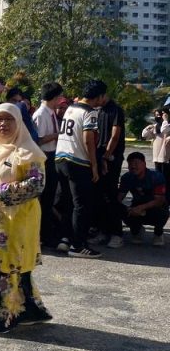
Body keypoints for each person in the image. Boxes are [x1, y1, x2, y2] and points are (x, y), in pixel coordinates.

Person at [0, 103, 52, 335]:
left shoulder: (29, 151)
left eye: (8, 120)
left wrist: (0, 191)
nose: (3, 124)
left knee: (5, 265)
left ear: (19, 123)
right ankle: (26, 312)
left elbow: (37, 184)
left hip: (18, 222)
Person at [54, 78, 107, 258]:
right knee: (82, 205)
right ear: (99, 96)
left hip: (60, 158)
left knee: (68, 203)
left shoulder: (71, 107)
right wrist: (94, 166)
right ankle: (78, 245)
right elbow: (88, 139)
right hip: (77, 162)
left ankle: (65, 238)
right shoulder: (91, 112)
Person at [32, 82, 64, 247]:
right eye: (59, 96)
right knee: (44, 199)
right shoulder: (40, 114)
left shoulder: (50, 113)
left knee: (49, 198)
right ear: (54, 96)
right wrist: (57, 135)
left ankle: (47, 232)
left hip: (52, 156)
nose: (60, 100)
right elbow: (38, 140)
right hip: (44, 156)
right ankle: (43, 234)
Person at [117, 151, 169, 246]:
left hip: (154, 207)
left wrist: (141, 207)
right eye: (130, 164)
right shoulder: (127, 177)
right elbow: (119, 197)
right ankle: (136, 230)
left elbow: (159, 200)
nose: (133, 167)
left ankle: (158, 233)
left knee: (162, 210)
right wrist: (126, 209)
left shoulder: (156, 177)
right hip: (136, 206)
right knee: (119, 209)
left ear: (144, 164)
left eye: (136, 163)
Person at [95, 95, 126, 248]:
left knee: (111, 195)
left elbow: (115, 136)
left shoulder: (116, 110)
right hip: (99, 157)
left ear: (104, 95)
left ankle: (117, 234)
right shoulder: (99, 110)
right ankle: (103, 231)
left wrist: (106, 157)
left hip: (112, 159)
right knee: (100, 196)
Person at [142, 109, 170, 186]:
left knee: (166, 179)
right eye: (156, 115)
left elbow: (164, 130)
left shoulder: (167, 124)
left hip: (166, 157)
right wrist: (147, 128)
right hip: (157, 157)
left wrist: (165, 120)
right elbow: (144, 136)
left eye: (159, 114)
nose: (157, 117)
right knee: (158, 179)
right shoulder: (156, 126)